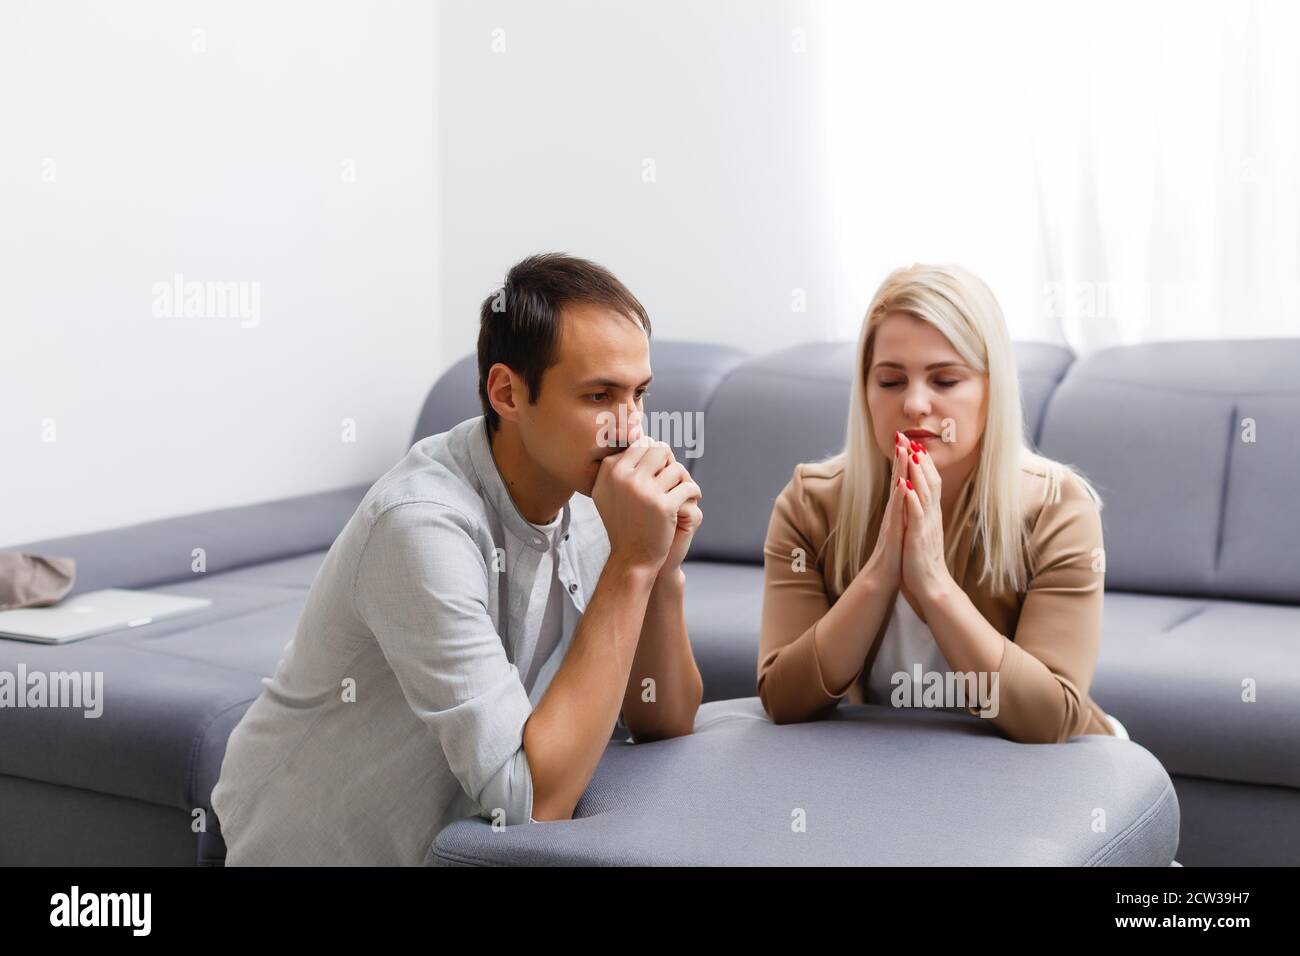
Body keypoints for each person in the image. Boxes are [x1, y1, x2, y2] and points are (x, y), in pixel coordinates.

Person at [212, 253, 704, 865]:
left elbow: (664, 719)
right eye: (599, 396)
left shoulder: (593, 498)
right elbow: (531, 806)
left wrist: (662, 571)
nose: (628, 430)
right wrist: (631, 565)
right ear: (507, 393)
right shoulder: (419, 525)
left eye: (639, 395)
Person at [757, 263, 1129, 744]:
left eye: (946, 381)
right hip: (901, 768)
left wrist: (932, 583)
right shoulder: (810, 503)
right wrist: (879, 573)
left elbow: (1049, 719)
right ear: (866, 392)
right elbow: (783, 700)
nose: (914, 405)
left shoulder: (1057, 507)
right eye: (890, 382)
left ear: (991, 389)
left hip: (1047, 772)